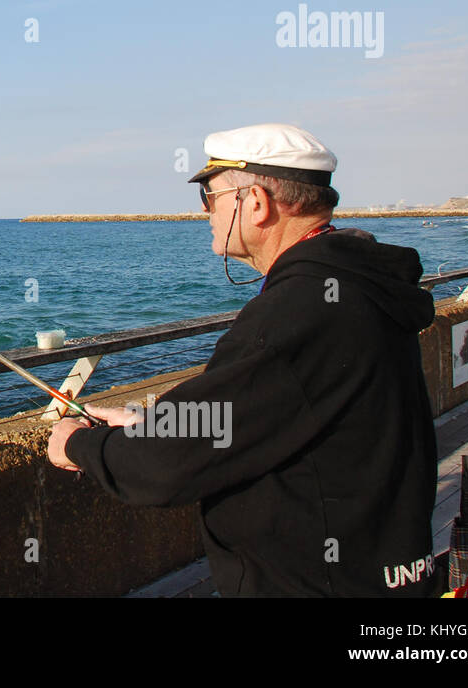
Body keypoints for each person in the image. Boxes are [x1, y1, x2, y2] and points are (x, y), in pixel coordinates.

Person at [48, 123, 438, 596]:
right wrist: (143, 423)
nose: (206, 214)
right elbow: (267, 415)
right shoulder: (356, 286)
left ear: (255, 201)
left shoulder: (302, 309)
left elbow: (165, 468)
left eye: (210, 198)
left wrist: (78, 446)